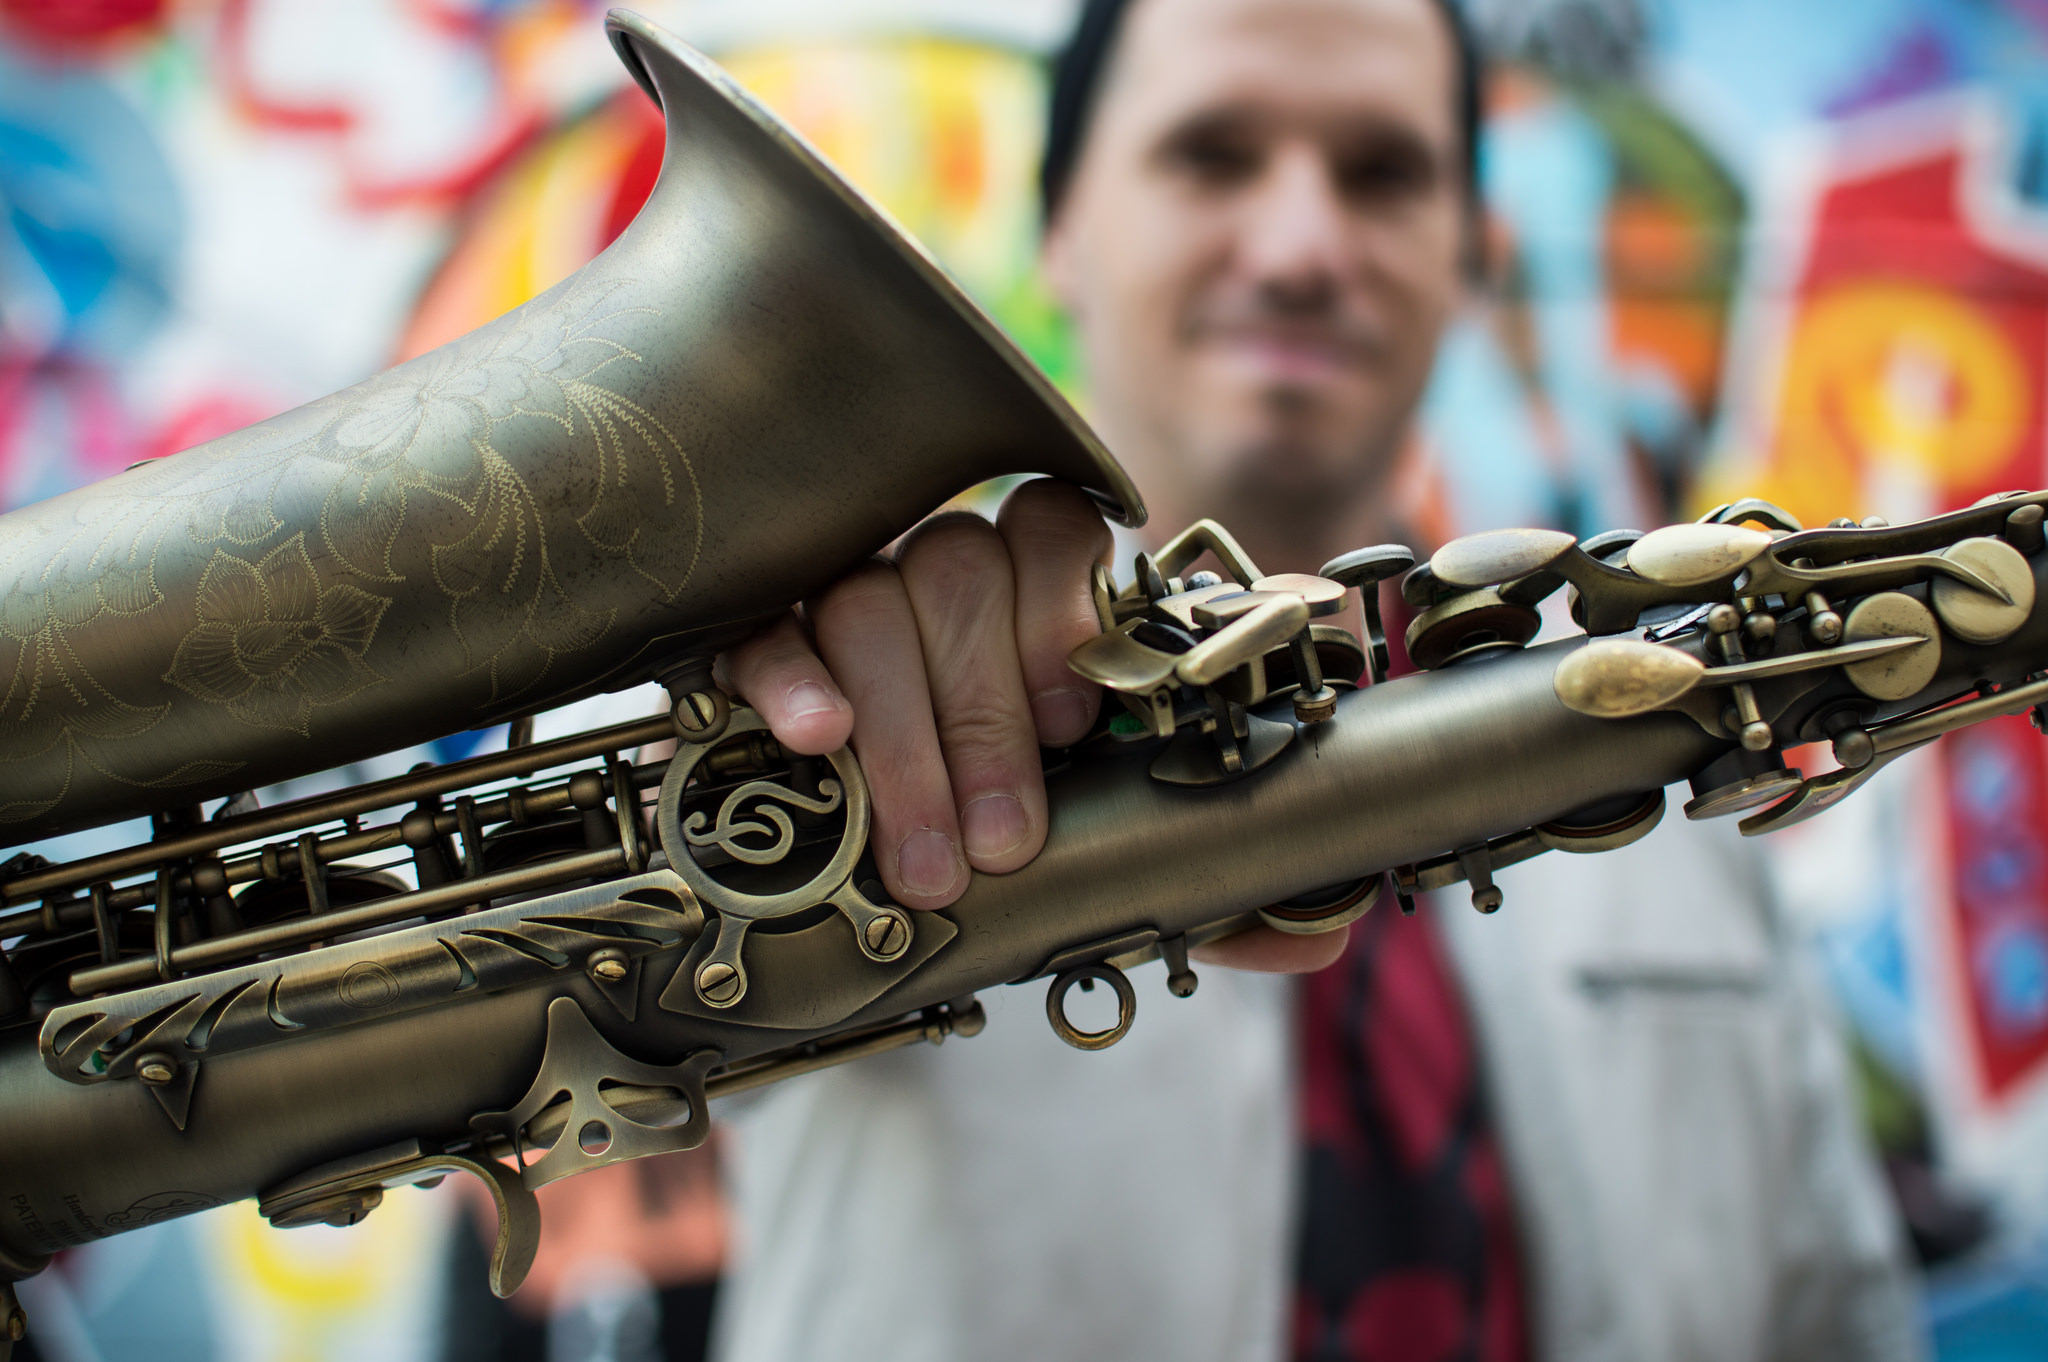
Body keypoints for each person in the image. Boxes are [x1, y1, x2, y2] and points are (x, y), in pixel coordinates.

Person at [706, 0, 1925, 1358]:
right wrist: (745, 744)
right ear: (1061, 229)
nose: (1299, 248)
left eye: (1383, 173)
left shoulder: (1676, 758)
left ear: (1471, 260)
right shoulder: (866, 723)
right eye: (1213, 155)